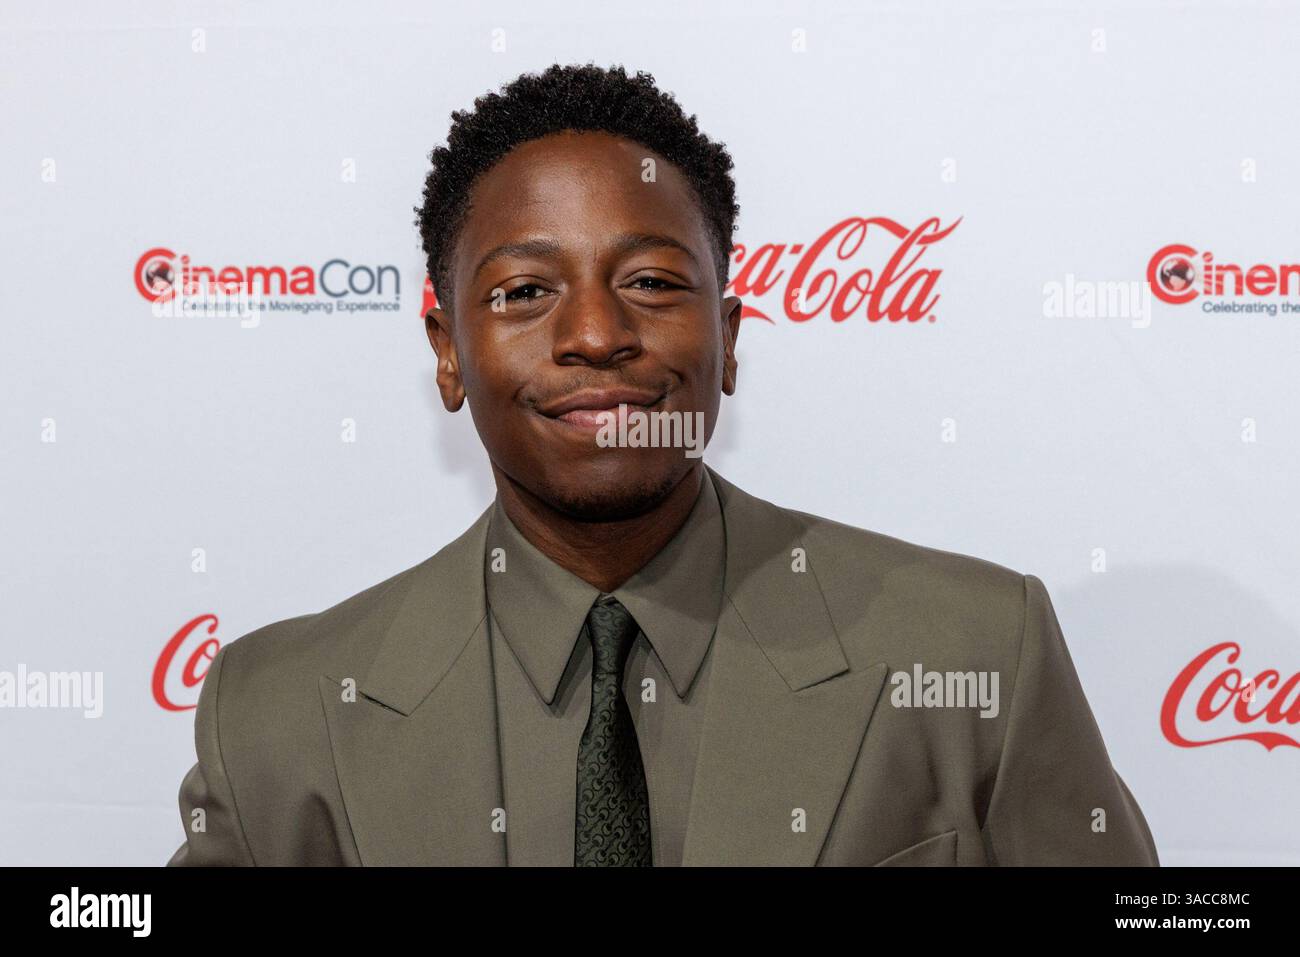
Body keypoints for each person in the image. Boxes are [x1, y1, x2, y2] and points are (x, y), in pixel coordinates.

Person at [168, 63, 1158, 867]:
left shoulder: (977, 649)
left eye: (649, 281)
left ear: (727, 338)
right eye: (522, 292)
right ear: (446, 353)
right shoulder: (278, 714)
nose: (596, 333)